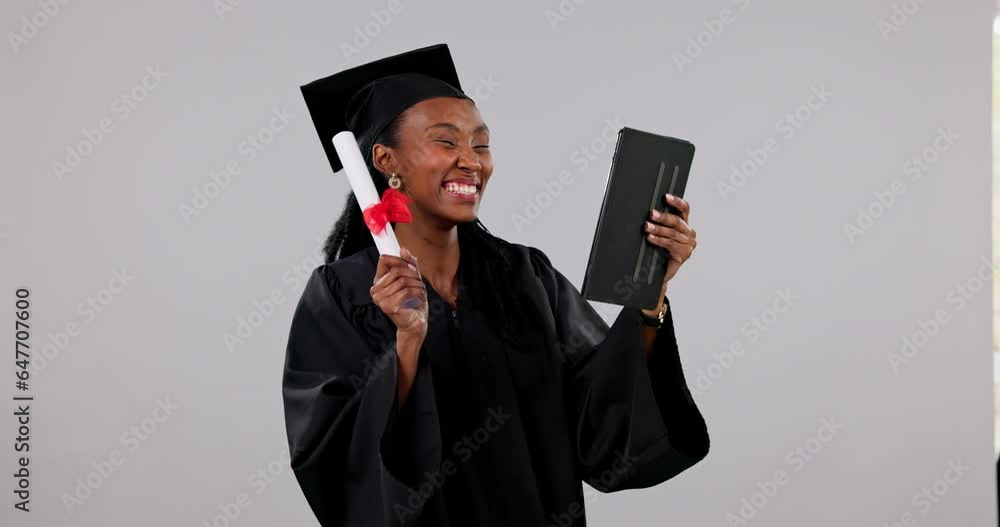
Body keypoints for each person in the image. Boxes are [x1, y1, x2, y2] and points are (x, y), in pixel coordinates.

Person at [282, 43, 709, 527]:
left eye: (480, 145)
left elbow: (602, 421)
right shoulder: (344, 293)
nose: (471, 161)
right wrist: (406, 344)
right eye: (446, 142)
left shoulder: (526, 276)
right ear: (386, 160)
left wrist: (649, 300)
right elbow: (339, 462)